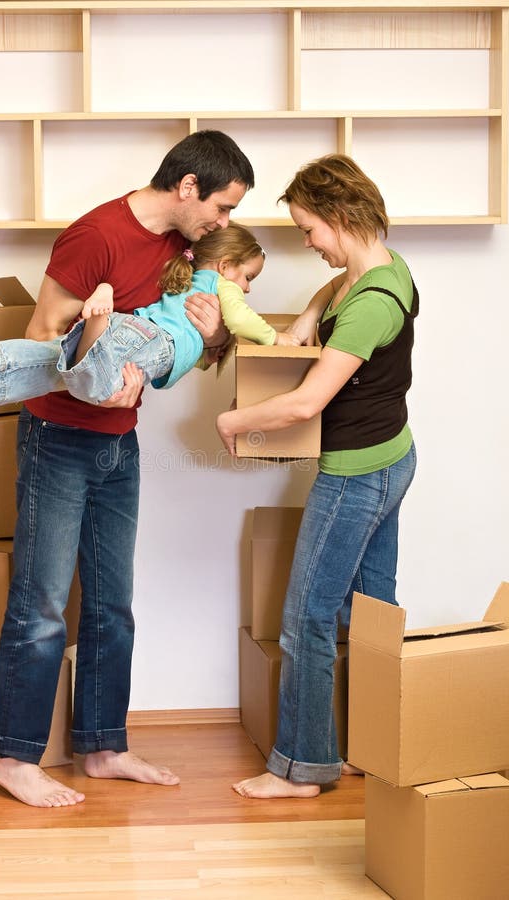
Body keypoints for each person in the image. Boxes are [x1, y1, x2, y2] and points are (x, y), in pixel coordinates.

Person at [0, 130, 255, 809]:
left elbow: (182, 341)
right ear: (188, 187)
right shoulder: (94, 236)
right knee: (40, 607)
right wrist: (98, 375)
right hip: (59, 438)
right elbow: (41, 338)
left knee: (112, 606)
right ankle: (13, 756)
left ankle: (102, 746)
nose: (225, 222)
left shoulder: (186, 249)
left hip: (120, 442)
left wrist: (211, 338)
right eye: (224, 207)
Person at [216, 153, 418, 799]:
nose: (307, 242)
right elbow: (335, 292)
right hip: (394, 459)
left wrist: (236, 421)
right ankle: (370, 749)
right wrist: (305, 318)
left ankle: (303, 769)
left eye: (309, 230)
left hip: (358, 475)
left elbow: (306, 404)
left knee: (307, 616)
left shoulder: (371, 306)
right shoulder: (380, 269)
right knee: (372, 615)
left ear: (339, 216)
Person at [0, 224, 299, 412]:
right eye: (249, 277)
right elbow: (240, 319)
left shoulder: (184, 279)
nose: (248, 288)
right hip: (152, 342)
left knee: (57, 361)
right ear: (225, 265)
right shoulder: (220, 285)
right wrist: (276, 339)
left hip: (131, 329)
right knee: (95, 387)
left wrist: (210, 347)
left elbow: (192, 353)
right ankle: (98, 318)